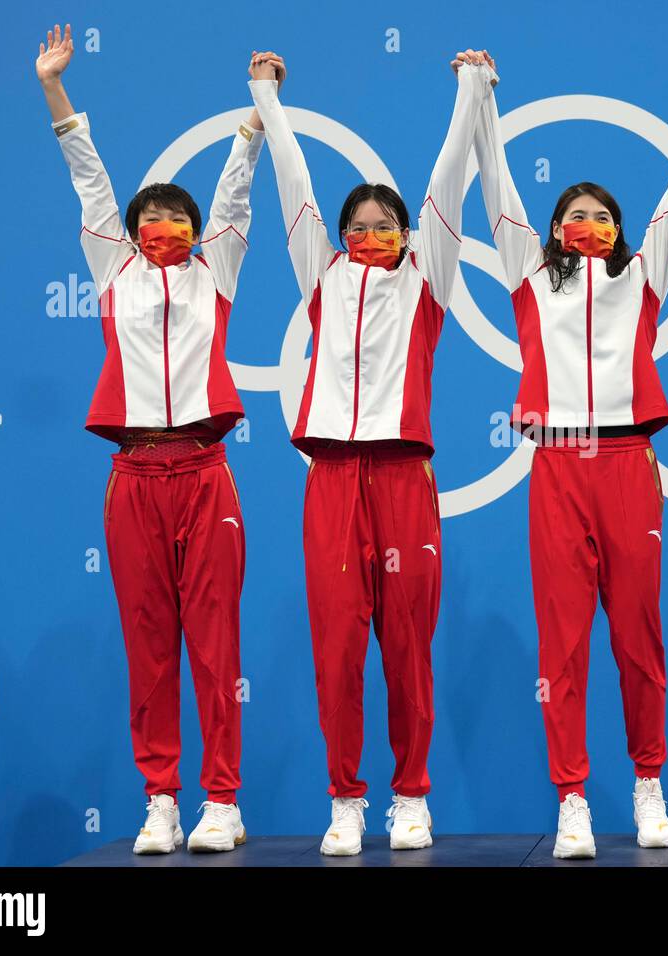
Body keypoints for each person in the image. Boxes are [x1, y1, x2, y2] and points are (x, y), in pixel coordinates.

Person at [470, 51, 668, 858]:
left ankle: (649, 784)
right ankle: (573, 799)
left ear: (621, 230)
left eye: (602, 215)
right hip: (555, 464)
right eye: (573, 215)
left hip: (628, 465)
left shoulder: (641, 279)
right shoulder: (530, 278)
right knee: (563, 640)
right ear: (554, 230)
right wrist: (480, 96)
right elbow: (496, 187)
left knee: (637, 634)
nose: (588, 224)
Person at [248, 48, 495, 856]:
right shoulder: (321, 278)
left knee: (407, 648)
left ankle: (412, 796)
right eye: (355, 227)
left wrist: (468, 90)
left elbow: (448, 181)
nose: (366, 237)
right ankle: (347, 800)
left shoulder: (427, 284)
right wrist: (267, 99)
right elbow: (293, 188)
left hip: (401, 478)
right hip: (331, 480)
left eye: (384, 227)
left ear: (407, 236)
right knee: (338, 649)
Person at [37, 22, 268, 853]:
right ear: (131, 230)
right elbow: (89, 180)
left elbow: (237, 197)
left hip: (205, 473)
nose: (163, 220)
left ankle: (222, 801)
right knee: (148, 642)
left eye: (177, 213)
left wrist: (250, 126)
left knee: (214, 643)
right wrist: (56, 88)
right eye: (151, 214)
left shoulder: (217, 268)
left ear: (196, 229)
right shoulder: (114, 267)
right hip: (133, 476)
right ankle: (161, 798)